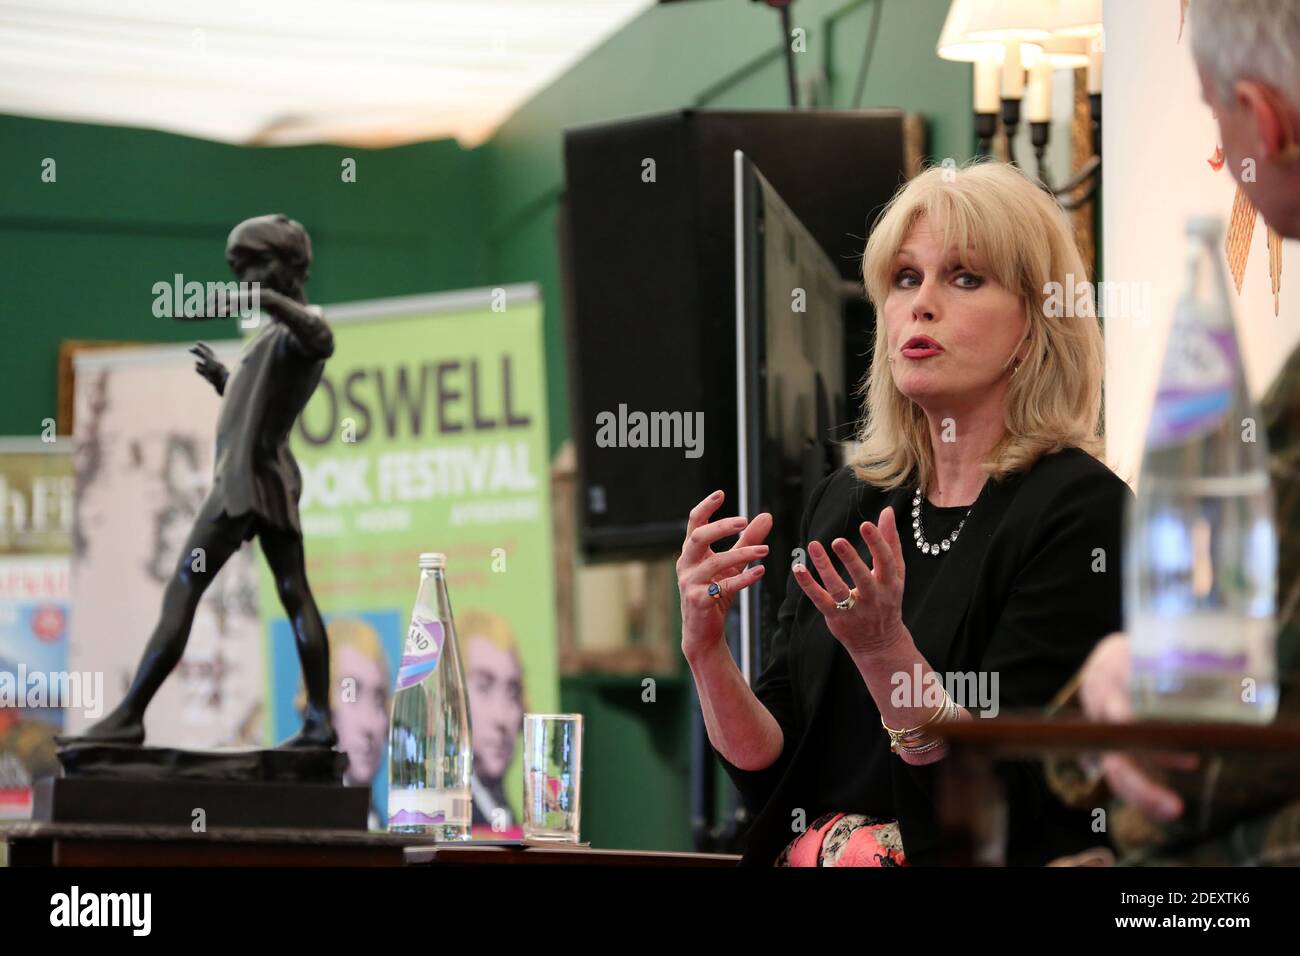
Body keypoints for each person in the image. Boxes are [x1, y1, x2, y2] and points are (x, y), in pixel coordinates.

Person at [679, 160, 1133, 866]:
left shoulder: (1081, 512)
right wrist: (707, 653)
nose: (921, 304)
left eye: (965, 278)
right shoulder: (848, 500)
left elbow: (1013, 801)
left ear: (1037, 321)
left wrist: (885, 653)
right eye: (904, 278)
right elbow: (774, 771)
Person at [1046, 0, 1300, 866]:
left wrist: (1098, 722)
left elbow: (1193, 763)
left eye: (1213, 114)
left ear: (1263, 119)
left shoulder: (1075, 504)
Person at [77, 214, 337, 749]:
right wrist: (225, 379)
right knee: (293, 592)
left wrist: (265, 299)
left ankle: (130, 715)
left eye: (253, 267)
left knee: (185, 585)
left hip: (242, 487)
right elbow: (260, 404)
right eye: (239, 272)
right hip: (267, 482)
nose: (245, 281)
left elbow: (321, 338)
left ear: (287, 264)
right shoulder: (273, 335)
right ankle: (319, 720)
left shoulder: (301, 326)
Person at [460, 608, 526, 837]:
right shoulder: (443, 816)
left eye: (512, 692)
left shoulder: (503, 807)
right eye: (484, 687)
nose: (502, 718)